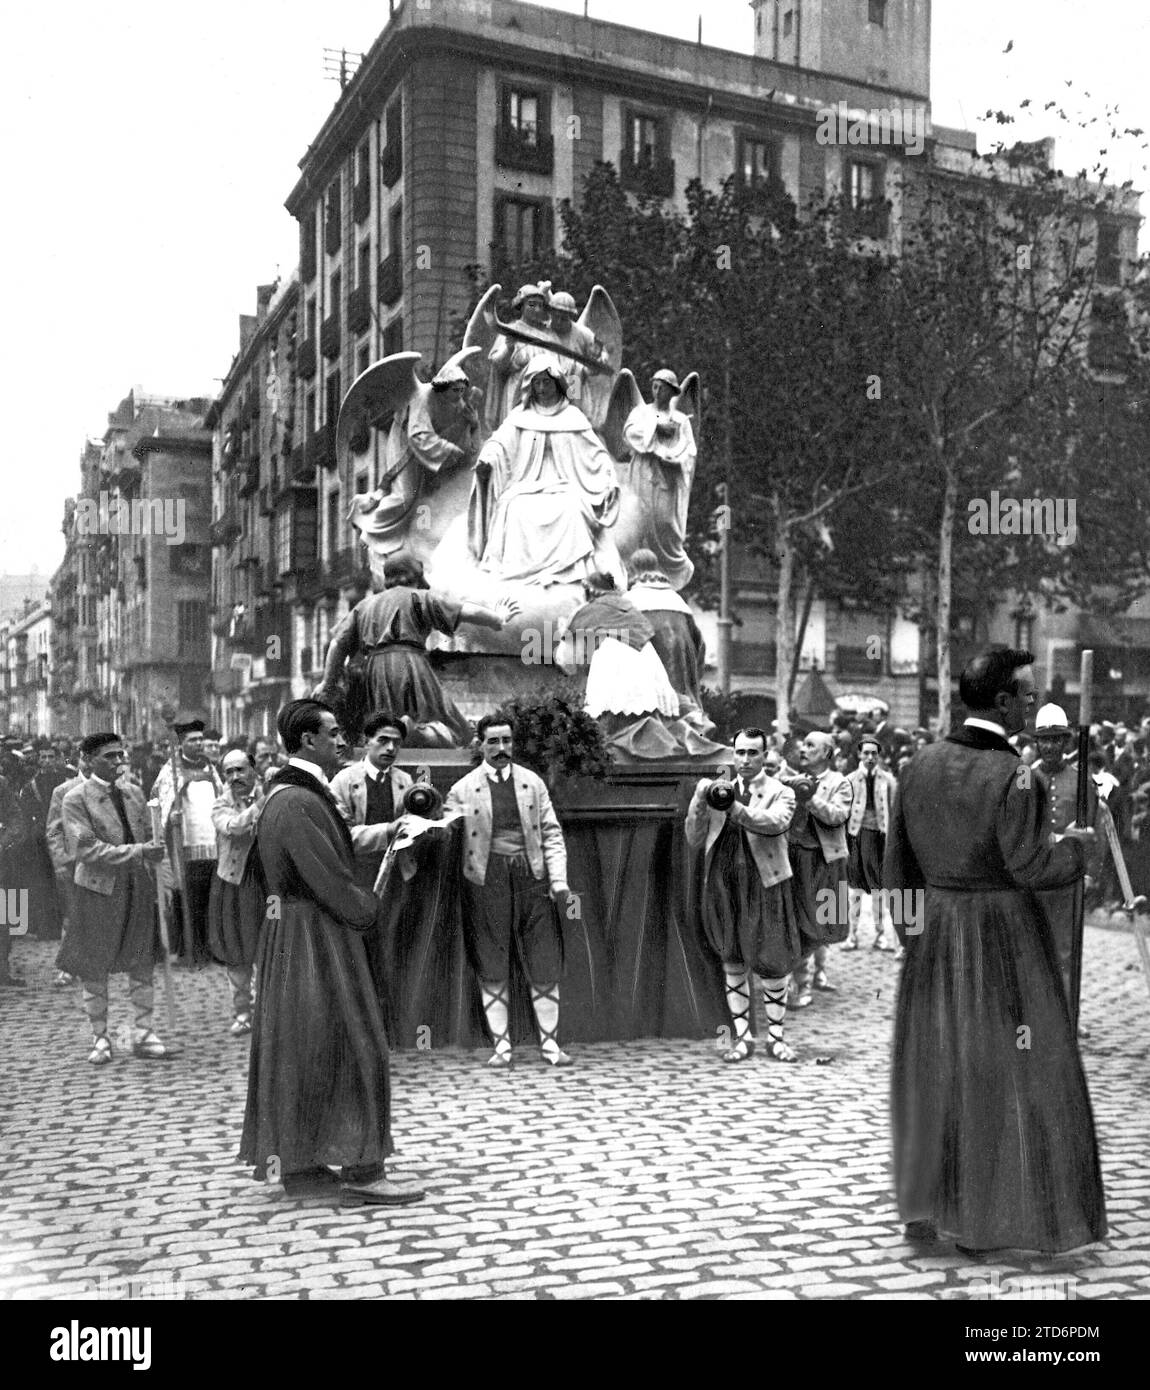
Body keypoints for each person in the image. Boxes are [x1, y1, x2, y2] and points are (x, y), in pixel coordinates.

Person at [884, 648, 1106, 1255]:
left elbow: (896, 870)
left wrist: (917, 945)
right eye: (1028, 695)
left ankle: (926, 1213)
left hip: (933, 940)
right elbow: (1030, 865)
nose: (1034, 704)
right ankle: (986, 1219)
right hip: (1003, 941)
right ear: (1004, 702)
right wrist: (1080, 850)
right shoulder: (1015, 777)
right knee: (1006, 1072)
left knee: (933, 1072)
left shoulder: (919, 766)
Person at [239, 699, 424, 1208]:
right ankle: (364, 1167)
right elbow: (326, 875)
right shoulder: (296, 801)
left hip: (298, 935)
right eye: (334, 732)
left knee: (305, 1044)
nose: (343, 740)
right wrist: (367, 907)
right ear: (307, 742)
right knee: (354, 1041)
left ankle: (303, 1165)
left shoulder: (294, 793)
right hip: (314, 936)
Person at [445, 714, 573, 1068]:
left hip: (532, 877)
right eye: (493, 742)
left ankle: (550, 1045)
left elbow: (551, 833)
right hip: (487, 880)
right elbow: (447, 830)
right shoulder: (463, 789)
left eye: (507, 741)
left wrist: (558, 879)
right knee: (492, 961)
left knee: (544, 959)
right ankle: (502, 1047)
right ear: (480, 744)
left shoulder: (532, 783)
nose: (502, 749)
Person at [314, 553, 517, 747]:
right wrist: (497, 619)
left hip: (374, 668)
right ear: (415, 575)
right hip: (410, 664)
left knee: (382, 722)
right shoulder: (420, 597)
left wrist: (327, 682)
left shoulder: (365, 605)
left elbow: (337, 644)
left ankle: (403, 736)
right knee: (448, 721)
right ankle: (413, 732)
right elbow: (464, 610)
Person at [685, 728, 801, 1062]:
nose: (745, 760)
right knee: (732, 958)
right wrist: (699, 799)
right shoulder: (721, 790)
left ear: (765, 756)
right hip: (725, 883)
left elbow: (774, 823)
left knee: (772, 961)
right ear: (732, 755)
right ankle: (742, 1037)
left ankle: (776, 1038)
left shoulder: (782, 791)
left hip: (765, 884)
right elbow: (694, 838)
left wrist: (733, 807)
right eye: (740, 753)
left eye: (753, 753)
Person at [56, 733, 172, 1064]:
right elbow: (85, 848)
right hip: (97, 891)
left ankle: (144, 1032)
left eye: (121, 755)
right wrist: (139, 851)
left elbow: (151, 838)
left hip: (137, 889)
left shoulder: (135, 794)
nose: (119, 761)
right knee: (94, 966)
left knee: (142, 961)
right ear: (88, 760)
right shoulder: (74, 799)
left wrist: (161, 840)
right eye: (109, 756)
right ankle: (100, 1038)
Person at [469, 358, 625, 589]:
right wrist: (488, 459)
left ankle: (570, 570)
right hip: (525, 485)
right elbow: (500, 444)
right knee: (514, 508)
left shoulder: (573, 417)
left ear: (558, 383)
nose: (541, 388)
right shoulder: (519, 417)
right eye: (537, 383)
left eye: (547, 383)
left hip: (566, 485)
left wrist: (607, 476)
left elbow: (596, 454)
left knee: (572, 508)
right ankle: (516, 573)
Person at [348, 361, 481, 560]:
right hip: (404, 446)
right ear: (443, 388)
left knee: (424, 500)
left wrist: (473, 424)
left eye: (462, 391)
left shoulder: (456, 402)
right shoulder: (423, 397)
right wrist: (449, 450)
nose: (459, 395)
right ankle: (371, 529)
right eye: (455, 391)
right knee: (405, 496)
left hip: (429, 455)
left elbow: (468, 446)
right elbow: (418, 434)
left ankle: (415, 549)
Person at [1031, 703, 1100, 1028]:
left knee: (1065, 952)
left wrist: (1089, 873)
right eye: (1044, 740)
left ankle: (1066, 1020)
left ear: (1065, 742)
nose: (1050, 746)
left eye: (1056, 740)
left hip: (1067, 880)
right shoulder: (1024, 779)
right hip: (1035, 878)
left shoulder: (1081, 780)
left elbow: (1093, 831)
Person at [781, 731, 853, 1007]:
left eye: (811, 745)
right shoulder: (790, 779)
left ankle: (807, 977)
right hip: (794, 858)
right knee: (796, 922)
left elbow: (838, 816)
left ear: (827, 753)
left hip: (825, 861)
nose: (803, 749)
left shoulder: (840, 783)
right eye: (803, 744)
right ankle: (798, 984)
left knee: (822, 925)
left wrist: (809, 798)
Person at [557, 571, 678, 728]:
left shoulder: (585, 611)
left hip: (613, 662)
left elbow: (567, 660)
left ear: (589, 591)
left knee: (608, 724)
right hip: (647, 663)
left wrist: (563, 636)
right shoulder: (629, 607)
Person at [151, 719, 224, 965]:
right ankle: (187, 949)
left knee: (211, 896)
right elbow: (160, 799)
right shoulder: (171, 770)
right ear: (181, 743)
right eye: (193, 740)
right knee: (188, 896)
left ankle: (210, 946)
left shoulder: (211, 768)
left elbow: (222, 797)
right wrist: (171, 814)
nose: (199, 743)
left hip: (212, 841)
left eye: (200, 739)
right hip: (186, 843)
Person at [620, 369, 697, 589]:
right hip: (643, 473)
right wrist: (655, 428)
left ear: (672, 391)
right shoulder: (641, 412)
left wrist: (674, 457)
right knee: (641, 520)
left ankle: (667, 571)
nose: (656, 391)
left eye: (662, 387)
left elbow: (690, 450)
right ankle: (638, 570)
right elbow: (629, 434)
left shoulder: (681, 420)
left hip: (667, 477)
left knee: (664, 522)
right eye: (654, 386)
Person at [208, 749, 266, 1037]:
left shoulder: (269, 794)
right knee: (238, 950)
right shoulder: (221, 804)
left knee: (270, 946)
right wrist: (262, 804)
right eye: (228, 772)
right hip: (236, 885)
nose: (234, 777)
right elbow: (233, 827)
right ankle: (242, 1012)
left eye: (240, 770)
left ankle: (269, 1011)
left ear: (253, 771)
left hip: (270, 886)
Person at [626, 549, 709, 727]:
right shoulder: (679, 603)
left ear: (631, 570)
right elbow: (699, 650)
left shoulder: (628, 603)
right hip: (683, 695)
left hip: (646, 701)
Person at [844, 734, 898, 951]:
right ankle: (851, 935)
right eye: (865, 753)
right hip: (856, 836)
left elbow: (893, 811)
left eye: (874, 754)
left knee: (878, 888)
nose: (869, 757)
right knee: (854, 888)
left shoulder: (888, 780)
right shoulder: (849, 780)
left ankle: (880, 934)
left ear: (878, 756)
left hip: (878, 838)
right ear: (859, 754)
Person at [485, 282, 559, 428]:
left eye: (540, 305)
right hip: (518, 395)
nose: (537, 309)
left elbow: (564, 363)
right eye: (532, 305)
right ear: (521, 306)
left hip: (549, 396)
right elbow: (497, 364)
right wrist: (509, 348)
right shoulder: (511, 330)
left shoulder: (550, 334)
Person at [15, 745, 68, 940]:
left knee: (64, 882)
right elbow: (26, 815)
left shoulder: (64, 782)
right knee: (44, 883)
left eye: (50, 757)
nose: (46, 761)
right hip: (40, 839)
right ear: (38, 760)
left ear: (56, 759)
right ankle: (48, 928)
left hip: (63, 836)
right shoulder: (31, 786)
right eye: (43, 757)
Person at [46, 751, 90, 985]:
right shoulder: (63, 791)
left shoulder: (114, 788)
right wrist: (60, 861)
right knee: (74, 914)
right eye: (87, 757)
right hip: (73, 862)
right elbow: (54, 830)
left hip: (103, 861)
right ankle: (68, 966)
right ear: (80, 761)